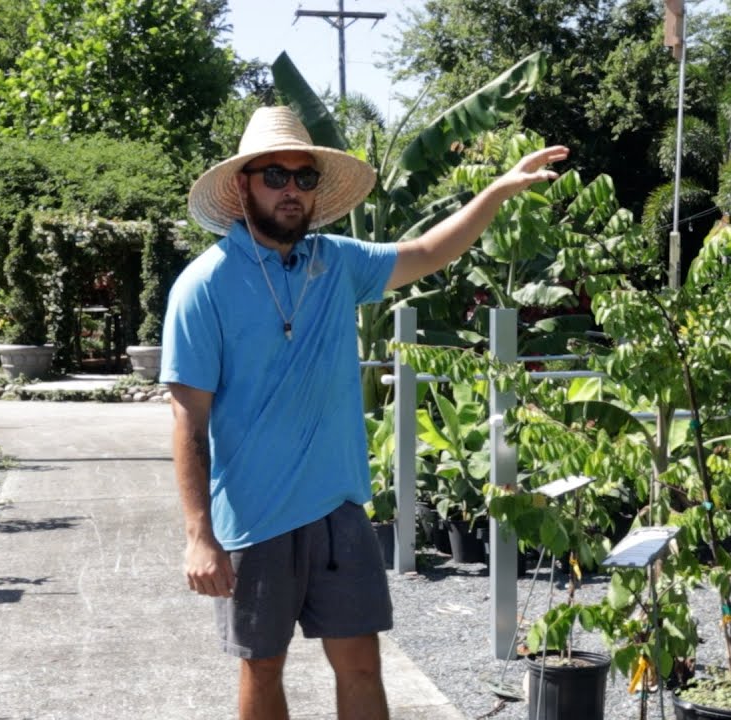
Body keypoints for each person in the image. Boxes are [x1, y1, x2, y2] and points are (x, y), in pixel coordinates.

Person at [161, 104, 567, 720]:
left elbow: (428, 251)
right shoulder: (204, 285)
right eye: (275, 176)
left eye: (304, 177)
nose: (291, 190)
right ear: (243, 184)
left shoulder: (336, 262)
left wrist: (496, 192)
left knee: (361, 663)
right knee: (262, 667)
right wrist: (199, 536)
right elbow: (188, 419)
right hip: (253, 517)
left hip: (338, 509)